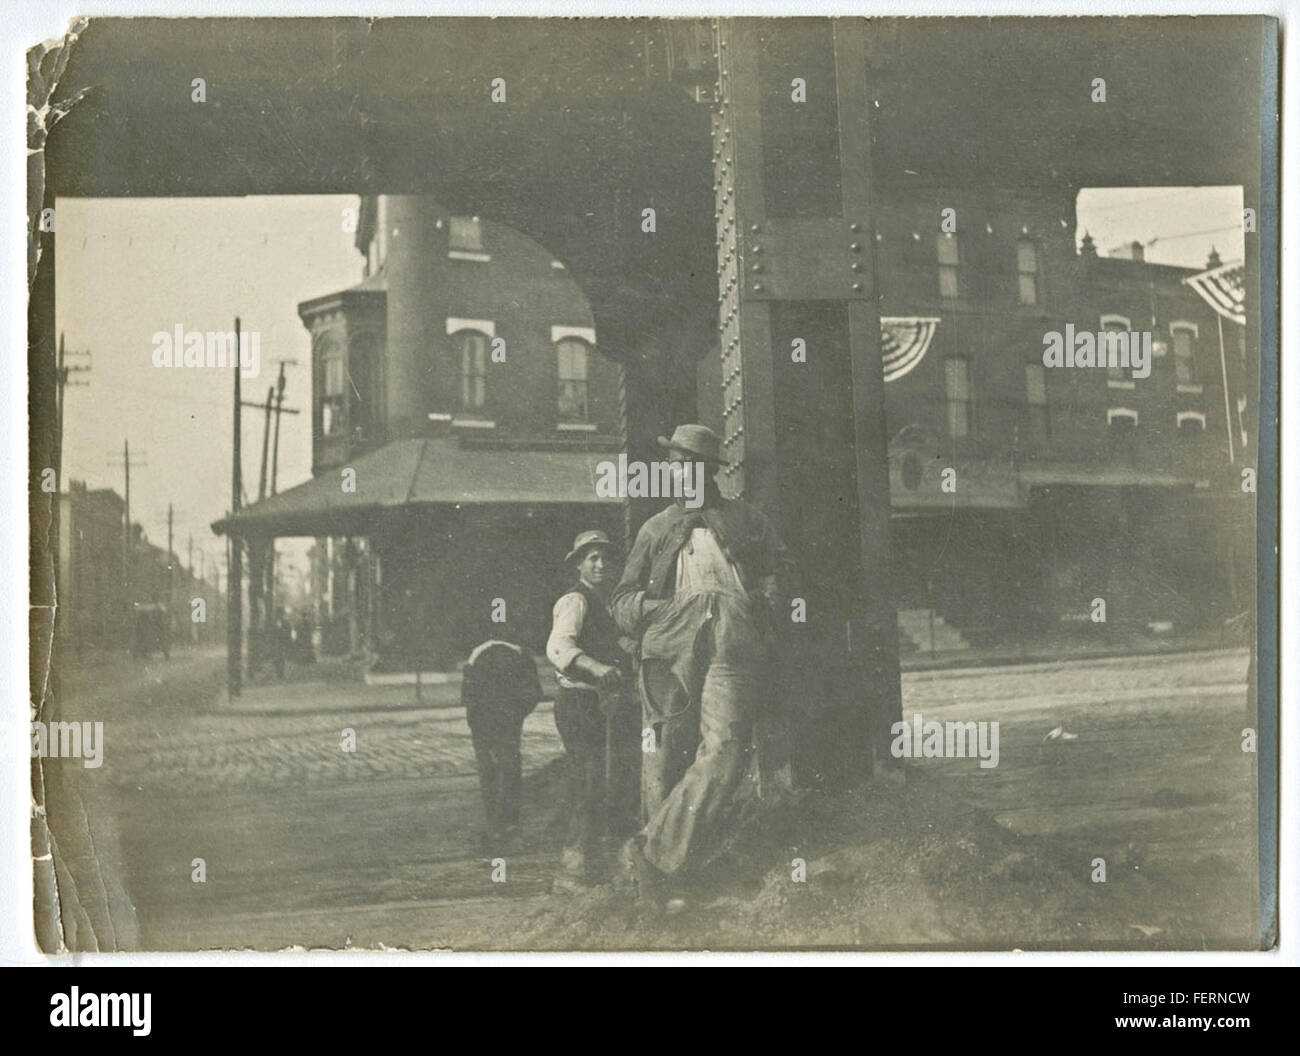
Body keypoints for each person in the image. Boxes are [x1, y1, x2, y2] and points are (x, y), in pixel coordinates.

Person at [611, 424, 786, 904]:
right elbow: (621, 600)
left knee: (727, 751)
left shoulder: (748, 521)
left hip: (735, 640)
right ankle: (666, 887)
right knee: (663, 755)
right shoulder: (656, 528)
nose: (679, 471)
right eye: (675, 463)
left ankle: (654, 852)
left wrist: (762, 602)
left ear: (710, 470)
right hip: (672, 644)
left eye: (689, 463)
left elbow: (776, 574)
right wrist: (660, 611)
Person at [546, 530, 638, 886]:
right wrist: (597, 668)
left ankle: (608, 862)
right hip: (580, 701)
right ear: (579, 565)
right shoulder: (575, 601)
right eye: (592, 558)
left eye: (606, 558)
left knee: (616, 780)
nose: (601, 564)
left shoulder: (613, 601)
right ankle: (572, 869)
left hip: (610, 703)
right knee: (587, 780)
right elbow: (558, 647)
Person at [461, 638, 544, 846]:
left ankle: (497, 825)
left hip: (487, 716)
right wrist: (517, 715)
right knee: (508, 768)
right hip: (501, 718)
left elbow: (467, 697)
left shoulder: (479, 653)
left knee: (491, 769)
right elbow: (534, 693)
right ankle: (507, 825)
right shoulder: (519, 656)